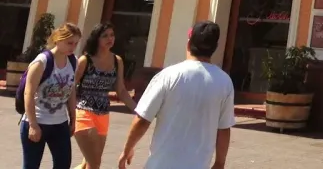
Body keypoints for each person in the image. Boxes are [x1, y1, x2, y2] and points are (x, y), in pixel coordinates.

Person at [117, 21, 235, 169]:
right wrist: (220, 163)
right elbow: (224, 128)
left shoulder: (168, 75)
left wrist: (127, 150)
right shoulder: (224, 82)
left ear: (189, 43)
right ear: (215, 48)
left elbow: (142, 119)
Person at [74, 22, 137, 169]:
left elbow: (121, 90)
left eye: (112, 35)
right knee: (95, 164)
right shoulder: (85, 60)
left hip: (103, 115)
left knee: (89, 164)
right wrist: (68, 111)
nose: (110, 38)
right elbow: (70, 87)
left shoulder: (117, 61)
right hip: (84, 112)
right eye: (105, 36)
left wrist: (140, 111)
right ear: (96, 39)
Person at [20, 22, 82, 169]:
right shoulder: (42, 62)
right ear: (57, 39)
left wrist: (73, 118)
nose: (72, 47)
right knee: (31, 166)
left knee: (63, 164)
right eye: (69, 43)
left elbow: (71, 91)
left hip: (59, 124)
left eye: (76, 44)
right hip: (37, 121)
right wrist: (33, 125)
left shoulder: (73, 61)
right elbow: (28, 93)